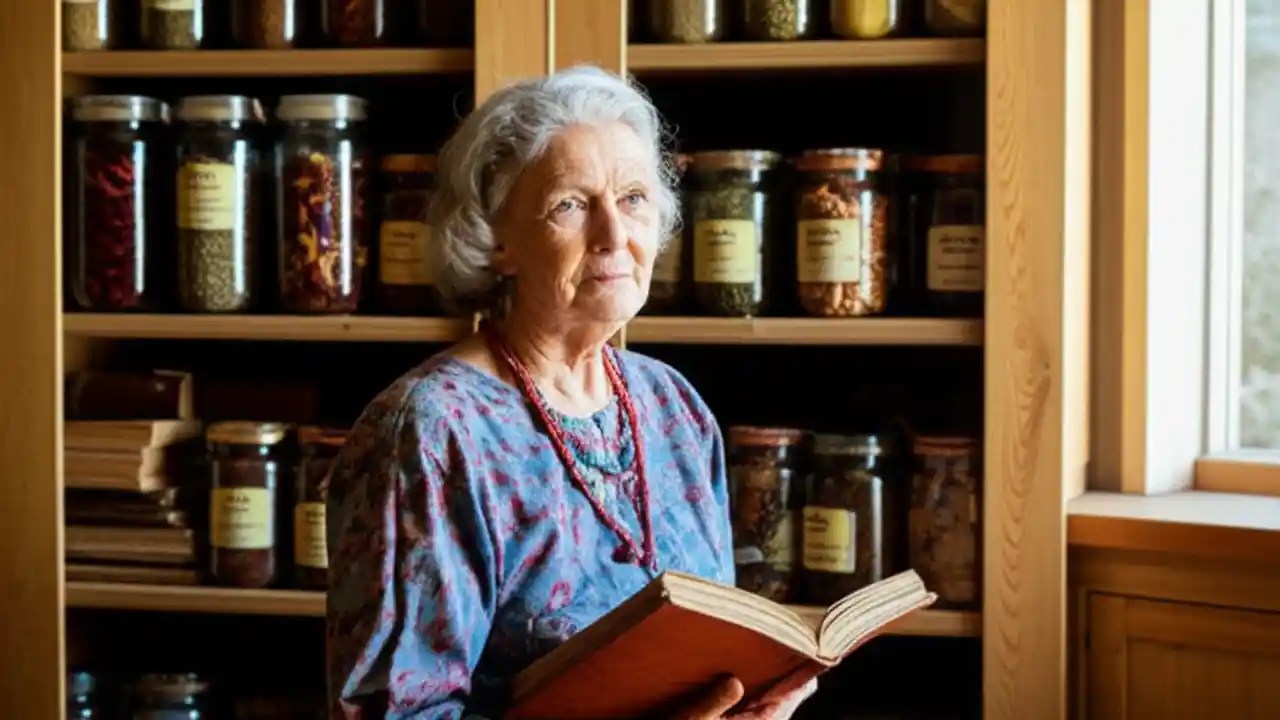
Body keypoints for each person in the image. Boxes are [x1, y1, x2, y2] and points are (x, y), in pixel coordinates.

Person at [325, 65, 817, 720]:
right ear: (496, 239)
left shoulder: (673, 408)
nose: (614, 235)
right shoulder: (433, 431)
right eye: (572, 205)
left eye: (634, 198)